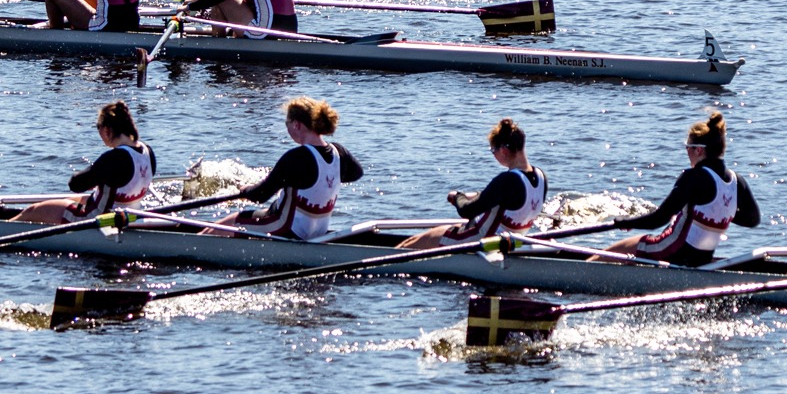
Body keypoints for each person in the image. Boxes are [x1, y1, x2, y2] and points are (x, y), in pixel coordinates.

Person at [600, 111, 760, 267]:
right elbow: (752, 220)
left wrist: (624, 222)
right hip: (702, 258)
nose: (687, 152)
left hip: (672, 251)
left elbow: (658, 220)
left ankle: (587, 271)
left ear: (699, 150)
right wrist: (720, 211)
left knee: (625, 247)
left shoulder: (694, 177)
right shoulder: (737, 181)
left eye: (687, 148)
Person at [203, 96, 363, 240]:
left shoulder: (296, 157)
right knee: (255, 215)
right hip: (318, 231)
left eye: (287, 123)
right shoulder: (339, 153)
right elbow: (357, 173)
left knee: (222, 226)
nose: (287, 128)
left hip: (285, 228)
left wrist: (245, 190)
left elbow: (260, 195)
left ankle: (194, 246)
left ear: (296, 125)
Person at [397, 118, 545, 250]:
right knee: (428, 235)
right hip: (509, 241)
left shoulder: (508, 180)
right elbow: (503, 199)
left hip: (480, 241)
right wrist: (474, 195)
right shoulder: (540, 177)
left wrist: (457, 197)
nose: (493, 155)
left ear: (504, 151)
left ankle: (387, 264)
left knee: (410, 245)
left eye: (493, 150)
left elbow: (467, 211)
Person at [12, 101, 156, 224]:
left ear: (106, 130)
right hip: (130, 215)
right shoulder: (148, 152)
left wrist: (93, 176)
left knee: (32, 211)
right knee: (68, 200)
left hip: (98, 220)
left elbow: (75, 184)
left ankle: (4, 229)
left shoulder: (115, 158)